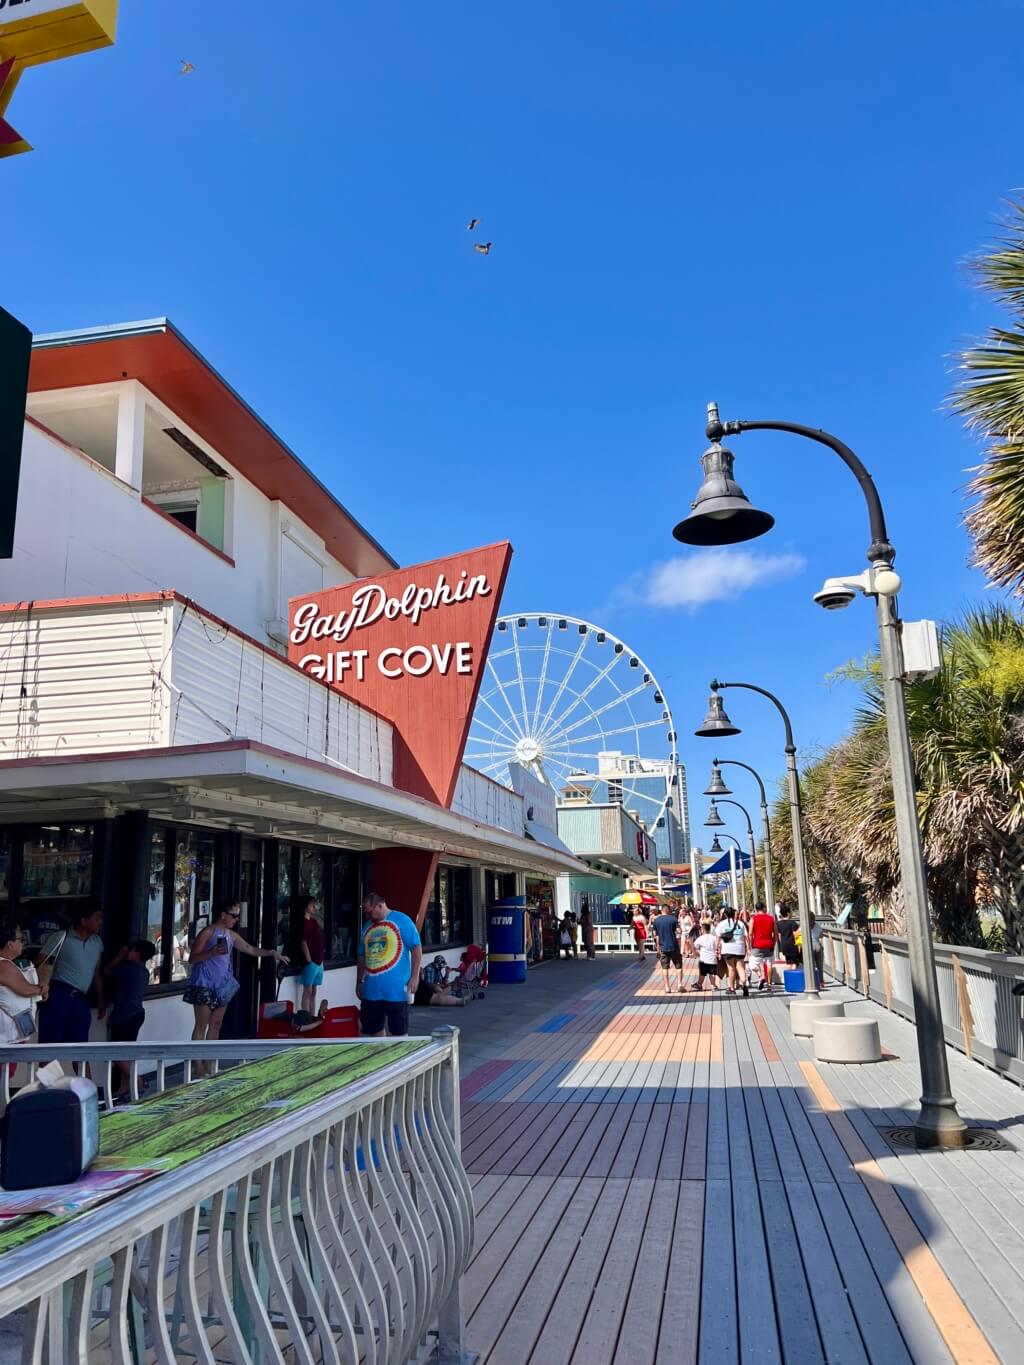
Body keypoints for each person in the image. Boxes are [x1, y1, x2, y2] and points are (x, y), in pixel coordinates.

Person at [187, 899, 287, 1048]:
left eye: (238, 916)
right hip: (204, 983)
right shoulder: (208, 932)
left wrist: (271, 953)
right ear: (223, 915)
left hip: (223, 983)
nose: (237, 919)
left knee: (216, 1024)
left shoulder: (231, 935)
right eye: (234, 916)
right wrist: (211, 952)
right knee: (201, 1025)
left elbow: (250, 949)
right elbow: (192, 958)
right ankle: (198, 1065)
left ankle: (209, 1062)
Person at [37, 900, 106, 1045]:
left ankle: (82, 1068)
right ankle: (46, 1068)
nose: (101, 922)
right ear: (84, 920)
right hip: (58, 995)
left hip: (80, 999)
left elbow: (96, 973)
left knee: (80, 1049)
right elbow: (40, 962)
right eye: (97, 917)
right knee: (50, 1047)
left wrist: (101, 1001)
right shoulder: (62, 937)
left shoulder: (97, 942)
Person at [357, 892, 422, 1037]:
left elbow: (416, 949)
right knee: (373, 1031)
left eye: (369, 912)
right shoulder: (367, 927)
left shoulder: (402, 921)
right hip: (371, 990)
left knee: (398, 1032)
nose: (368, 916)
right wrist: (359, 982)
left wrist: (415, 977)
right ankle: (380, 1055)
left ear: (379, 906)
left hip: (397, 991)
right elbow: (361, 956)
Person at [106, 939, 157, 1099]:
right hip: (136, 1014)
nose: (128, 952)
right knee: (127, 1052)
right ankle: (124, 1088)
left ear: (137, 953)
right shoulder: (143, 971)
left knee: (115, 1053)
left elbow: (107, 971)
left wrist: (119, 956)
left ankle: (139, 1080)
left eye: (131, 950)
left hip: (125, 1016)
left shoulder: (129, 970)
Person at [0, 919, 47, 1068]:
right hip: (4, 1037)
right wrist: (42, 988)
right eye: (20, 939)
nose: (23, 943)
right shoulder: (4, 965)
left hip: (10, 1033)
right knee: (5, 1072)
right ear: (10, 943)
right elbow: (25, 990)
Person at [298, 895, 325, 1016]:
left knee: (314, 991)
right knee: (307, 991)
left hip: (319, 961)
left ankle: (313, 1015)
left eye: (315, 905)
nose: (314, 907)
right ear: (305, 907)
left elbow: (322, 926)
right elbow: (303, 942)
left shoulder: (313, 921)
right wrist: (309, 960)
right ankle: (305, 1017)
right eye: (311, 905)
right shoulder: (303, 922)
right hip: (312, 962)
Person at [715, 905, 749, 996]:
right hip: (740, 948)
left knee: (731, 969)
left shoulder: (721, 924)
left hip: (727, 949)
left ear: (725, 914)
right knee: (740, 967)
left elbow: (718, 938)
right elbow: (746, 936)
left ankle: (731, 988)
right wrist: (748, 948)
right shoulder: (741, 924)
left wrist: (717, 949)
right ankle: (744, 983)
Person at [651, 905, 683, 993]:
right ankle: (679, 984)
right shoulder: (673, 919)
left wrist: (658, 948)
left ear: (662, 911)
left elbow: (655, 935)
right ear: (668, 910)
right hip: (674, 946)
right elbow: (679, 931)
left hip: (663, 947)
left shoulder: (656, 920)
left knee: (665, 968)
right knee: (678, 966)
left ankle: (667, 987)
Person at [748, 902, 777, 993]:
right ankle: (769, 985)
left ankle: (760, 976)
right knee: (769, 963)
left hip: (757, 944)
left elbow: (750, 934)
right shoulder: (771, 918)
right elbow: (775, 933)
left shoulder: (753, 919)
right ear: (764, 908)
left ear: (756, 909)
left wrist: (750, 945)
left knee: (752, 964)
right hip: (769, 944)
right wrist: (774, 943)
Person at [692, 918, 721, 991]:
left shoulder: (701, 938)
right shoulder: (714, 938)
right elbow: (719, 945)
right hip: (712, 959)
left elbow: (695, 946)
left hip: (703, 959)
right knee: (712, 973)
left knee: (702, 973)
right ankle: (713, 985)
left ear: (702, 930)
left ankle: (699, 984)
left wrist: (696, 952)